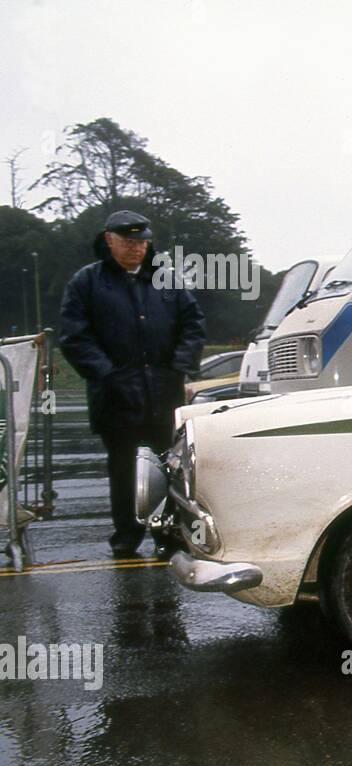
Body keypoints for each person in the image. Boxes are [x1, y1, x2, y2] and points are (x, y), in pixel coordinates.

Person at [58, 210, 206, 558]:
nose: (136, 248)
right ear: (109, 240)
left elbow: (193, 325)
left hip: (163, 393)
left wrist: (179, 368)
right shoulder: (86, 282)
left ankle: (168, 534)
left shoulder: (167, 280)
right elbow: (74, 337)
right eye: (128, 241)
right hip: (115, 397)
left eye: (141, 241)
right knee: (124, 468)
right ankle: (127, 533)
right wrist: (107, 374)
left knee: (169, 468)